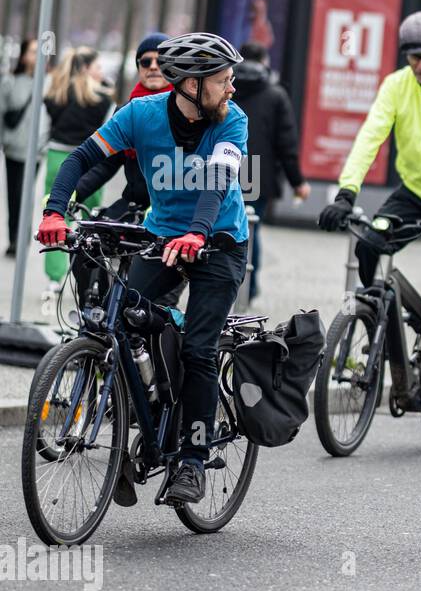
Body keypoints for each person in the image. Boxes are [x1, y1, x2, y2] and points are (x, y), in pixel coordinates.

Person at [38, 32, 250, 506]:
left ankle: (193, 459)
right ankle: (151, 419)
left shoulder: (232, 120)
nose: (231, 87)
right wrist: (54, 211)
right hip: (160, 238)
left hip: (219, 242)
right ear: (192, 84)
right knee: (124, 323)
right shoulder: (141, 114)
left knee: (199, 349)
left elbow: (218, 181)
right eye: (223, 79)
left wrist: (197, 232)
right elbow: (81, 157)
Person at [317, 10, 421, 443]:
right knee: (370, 242)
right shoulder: (396, 85)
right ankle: (374, 314)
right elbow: (370, 135)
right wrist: (345, 193)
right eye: (413, 58)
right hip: (413, 192)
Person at [232, 41, 309, 302]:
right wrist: (297, 182)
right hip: (258, 173)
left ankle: (227, 285)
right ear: (264, 61)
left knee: (223, 227)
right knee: (252, 228)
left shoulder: (225, 86)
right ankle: (249, 289)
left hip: (224, 167)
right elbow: (286, 144)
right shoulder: (275, 95)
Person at [72, 33, 173, 221]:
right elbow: (107, 163)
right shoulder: (126, 111)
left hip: (174, 207)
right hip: (134, 204)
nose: (153, 66)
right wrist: (74, 193)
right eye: (145, 61)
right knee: (94, 239)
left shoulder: (185, 108)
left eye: (161, 60)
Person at [42, 46, 114, 288]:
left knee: (54, 215)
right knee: (90, 220)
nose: (101, 71)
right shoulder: (103, 99)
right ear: (86, 68)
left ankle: (54, 278)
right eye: (98, 67)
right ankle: (85, 277)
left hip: (56, 157)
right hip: (90, 163)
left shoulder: (55, 93)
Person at [2, 37, 41, 257]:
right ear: (24, 55)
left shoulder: (46, 81)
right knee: (13, 194)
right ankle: (13, 238)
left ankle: (22, 238)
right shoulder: (11, 82)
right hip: (13, 148)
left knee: (24, 193)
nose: (36, 56)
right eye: (33, 52)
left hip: (34, 151)